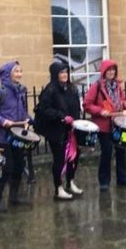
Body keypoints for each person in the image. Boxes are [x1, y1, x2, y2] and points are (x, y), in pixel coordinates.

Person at [0, 61, 31, 212]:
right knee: (6, 168)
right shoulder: (0, 92)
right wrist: (2, 121)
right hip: (2, 137)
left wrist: (27, 120)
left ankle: (14, 197)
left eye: (20, 71)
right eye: (16, 71)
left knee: (19, 166)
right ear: (8, 74)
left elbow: (22, 111)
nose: (19, 74)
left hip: (17, 136)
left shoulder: (21, 91)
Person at [84, 60, 126, 191]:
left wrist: (125, 104)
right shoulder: (96, 86)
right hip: (104, 126)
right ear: (104, 71)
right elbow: (87, 104)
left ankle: (122, 179)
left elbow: (121, 101)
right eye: (109, 70)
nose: (111, 72)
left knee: (121, 151)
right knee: (106, 152)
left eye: (113, 70)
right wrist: (100, 111)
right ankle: (104, 181)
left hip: (118, 124)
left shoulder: (117, 86)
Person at [35, 61, 83, 200]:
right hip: (56, 130)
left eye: (66, 72)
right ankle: (59, 188)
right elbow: (44, 110)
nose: (64, 75)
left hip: (71, 130)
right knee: (60, 159)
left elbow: (76, 107)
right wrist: (61, 116)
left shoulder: (71, 89)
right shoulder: (50, 90)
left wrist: (77, 121)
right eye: (61, 72)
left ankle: (70, 182)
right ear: (55, 74)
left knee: (74, 157)